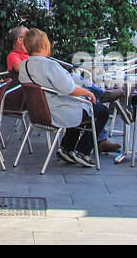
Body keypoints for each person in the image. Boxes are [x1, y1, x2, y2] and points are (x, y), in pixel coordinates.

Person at [17, 29, 112, 165]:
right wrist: (88, 93)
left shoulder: (24, 65)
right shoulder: (49, 65)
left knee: (77, 104)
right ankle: (82, 151)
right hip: (57, 111)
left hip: (39, 113)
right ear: (44, 45)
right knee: (102, 111)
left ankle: (66, 148)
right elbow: (69, 89)